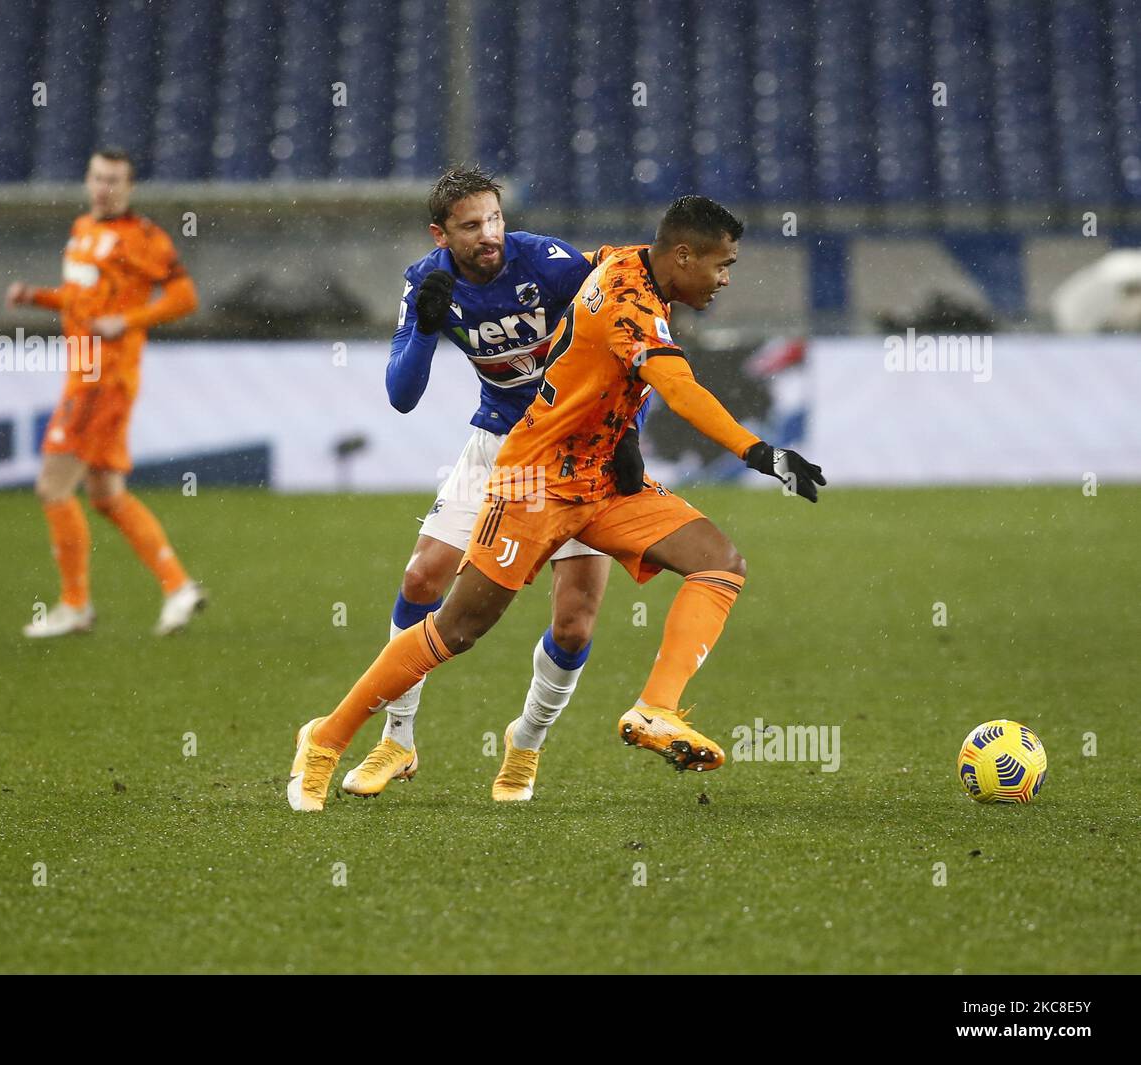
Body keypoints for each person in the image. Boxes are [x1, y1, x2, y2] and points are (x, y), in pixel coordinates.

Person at [288, 195, 826, 812]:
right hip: (532, 478)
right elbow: (677, 385)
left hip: (598, 480)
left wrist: (624, 429)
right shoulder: (630, 303)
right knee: (458, 628)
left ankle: (654, 710)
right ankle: (327, 739)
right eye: (721, 265)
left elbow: (601, 292)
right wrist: (759, 452)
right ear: (682, 256)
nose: (726, 279)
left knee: (718, 563)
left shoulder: (616, 265)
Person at [342, 165, 643, 802]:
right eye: (472, 225)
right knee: (422, 577)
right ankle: (397, 739)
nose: (490, 234)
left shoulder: (553, 266)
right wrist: (424, 326)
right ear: (440, 233)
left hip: (580, 447)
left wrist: (629, 431)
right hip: (499, 444)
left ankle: (525, 746)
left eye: (496, 218)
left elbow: (631, 341)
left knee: (575, 625)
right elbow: (401, 395)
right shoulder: (429, 281)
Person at [5, 149, 205, 638]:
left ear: (129, 187)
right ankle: (178, 587)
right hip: (86, 373)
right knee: (106, 494)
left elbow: (185, 297)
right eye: (97, 177)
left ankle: (75, 605)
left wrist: (128, 320)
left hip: (104, 378)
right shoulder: (82, 230)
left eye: (114, 180)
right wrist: (37, 297)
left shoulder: (143, 239)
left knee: (52, 486)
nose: (104, 187)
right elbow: (80, 302)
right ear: (88, 180)